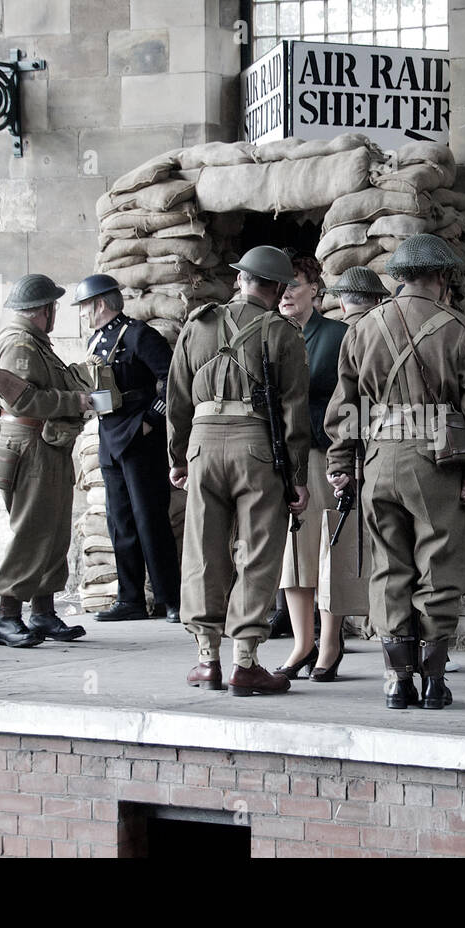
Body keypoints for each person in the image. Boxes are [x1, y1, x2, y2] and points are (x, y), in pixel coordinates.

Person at [325, 233, 465, 710]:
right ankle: (433, 681)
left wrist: (341, 462)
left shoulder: (361, 329)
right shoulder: (458, 328)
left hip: (379, 460)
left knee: (387, 566)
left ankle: (396, 680)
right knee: (439, 566)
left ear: (399, 277)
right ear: (441, 277)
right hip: (435, 463)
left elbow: (344, 407)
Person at [166, 245, 310, 696]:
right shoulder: (283, 333)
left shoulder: (198, 324)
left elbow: (177, 400)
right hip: (257, 449)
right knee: (258, 551)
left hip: (203, 446)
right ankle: (244, 664)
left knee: (203, 550)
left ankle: (206, 661)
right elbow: (294, 412)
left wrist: (177, 458)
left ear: (240, 280)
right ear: (280, 287)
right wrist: (296, 478)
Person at [0, 273, 92, 648]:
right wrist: (74, 402)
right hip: (30, 444)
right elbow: (23, 400)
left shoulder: (34, 342)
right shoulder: (18, 345)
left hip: (47, 444)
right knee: (32, 532)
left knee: (53, 531)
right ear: (43, 310)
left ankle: (43, 613)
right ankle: (8, 617)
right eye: (53, 308)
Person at [72, 273, 182, 624]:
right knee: (120, 520)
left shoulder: (138, 335)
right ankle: (130, 597)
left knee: (151, 520)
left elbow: (173, 381)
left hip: (140, 436)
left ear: (100, 304)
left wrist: (152, 419)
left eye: (85, 307)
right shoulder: (96, 340)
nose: (83, 314)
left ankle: (170, 598)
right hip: (110, 437)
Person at [274, 255, 349, 681]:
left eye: (295, 284)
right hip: (282, 460)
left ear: (315, 290)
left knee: (326, 552)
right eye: (281, 285)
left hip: (322, 455)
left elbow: (352, 399)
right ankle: (302, 644)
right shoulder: (270, 333)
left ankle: (330, 644)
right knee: (292, 556)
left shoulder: (337, 335)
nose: (286, 292)